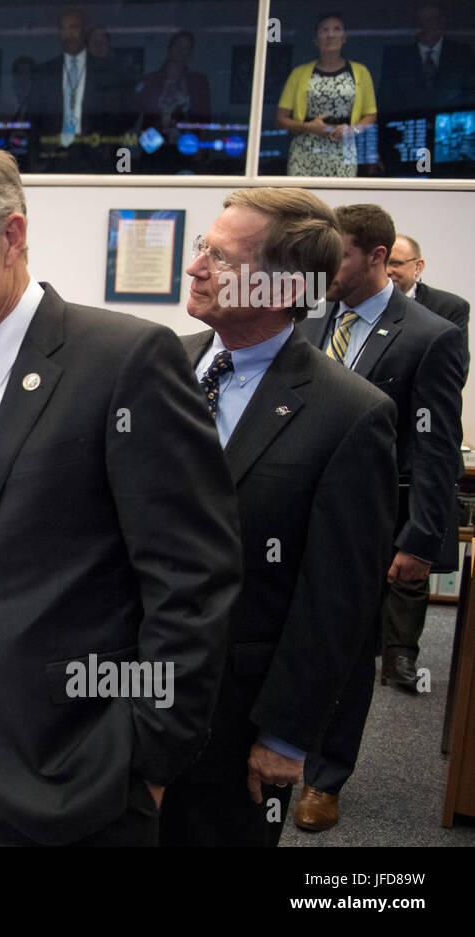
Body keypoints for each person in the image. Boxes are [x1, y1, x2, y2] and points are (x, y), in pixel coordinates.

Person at [0, 142, 242, 845]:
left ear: (10, 236)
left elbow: (192, 579)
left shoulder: (125, 361)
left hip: (76, 769)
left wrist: (146, 754)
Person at [161, 189, 397, 847]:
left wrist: (288, 732)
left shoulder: (349, 414)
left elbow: (340, 599)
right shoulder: (158, 367)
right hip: (120, 698)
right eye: (201, 246)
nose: (195, 266)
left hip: (234, 725)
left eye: (218, 255)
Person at [293, 204, 465, 832]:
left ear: (374, 256)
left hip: (369, 522)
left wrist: (421, 537)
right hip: (291, 514)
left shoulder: (430, 335)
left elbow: (436, 447)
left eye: (335, 255)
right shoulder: (307, 318)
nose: (323, 268)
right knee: (284, 637)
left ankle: (324, 778)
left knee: (344, 651)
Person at [275, 13, 377, 177]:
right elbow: (281, 120)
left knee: (343, 200)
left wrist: (353, 130)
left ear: (344, 37)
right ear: (316, 39)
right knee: (302, 200)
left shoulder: (360, 72)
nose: (330, 35)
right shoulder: (299, 73)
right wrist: (307, 127)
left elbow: (371, 115)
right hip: (305, 151)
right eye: (324, 30)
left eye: (337, 29)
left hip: (343, 150)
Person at [27, 6, 127, 171]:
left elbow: (117, 117)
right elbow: (34, 121)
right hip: (52, 156)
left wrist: (106, 149)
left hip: (95, 157)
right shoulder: (44, 72)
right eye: (63, 29)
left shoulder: (106, 71)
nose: (68, 34)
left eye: (73, 28)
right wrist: (34, 161)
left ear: (84, 31)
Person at [389, 234, 470, 349]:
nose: (387, 270)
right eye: (382, 263)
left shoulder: (449, 307)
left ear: (418, 267)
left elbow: (456, 363)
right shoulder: (362, 302)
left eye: (395, 263)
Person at [136, 30, 211, 141]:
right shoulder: (150, 79)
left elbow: (205, 117)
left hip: (187, 143)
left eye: (186, 48)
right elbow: (138, 111)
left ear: (190, 52)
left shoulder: (199, 81)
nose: (181, 51)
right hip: (153, 144)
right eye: (178, 45)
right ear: (170, 48)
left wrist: (201, 146)